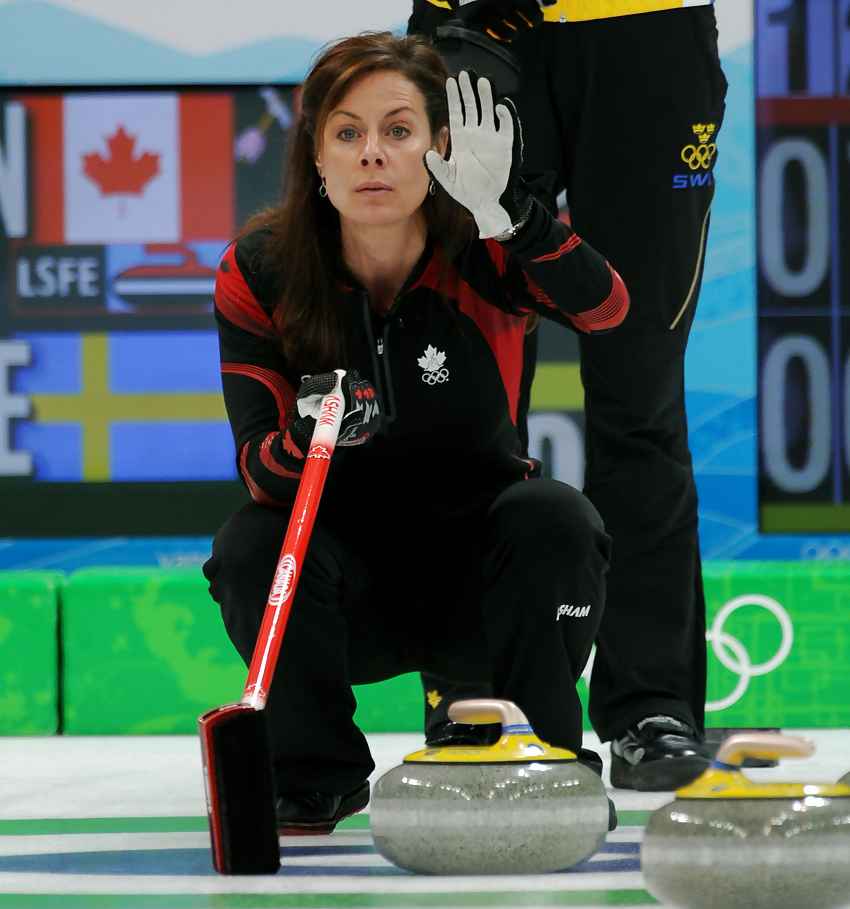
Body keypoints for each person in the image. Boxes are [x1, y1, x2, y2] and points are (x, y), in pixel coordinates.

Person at [203, 30, 629, 835]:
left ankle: (544, 754)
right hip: (347, 592)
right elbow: (259, 470)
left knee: (560, 518)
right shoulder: (258, 269)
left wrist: (519, 220)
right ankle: (313, 770)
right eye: (348, 132)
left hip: (483, 590)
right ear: (317, 154)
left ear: (440, 145)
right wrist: (311, 434)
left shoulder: (488, 245)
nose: (373, 154)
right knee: (249, 542)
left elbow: (608, 310)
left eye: (398, 130)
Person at [408, 0, 728, 791]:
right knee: (466, 381)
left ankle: (652, 706)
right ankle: (475, 692)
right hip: (471, 16)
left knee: (641, 386)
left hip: (644, 25)